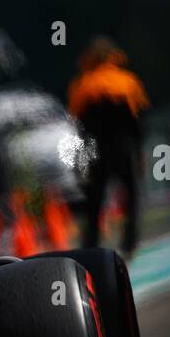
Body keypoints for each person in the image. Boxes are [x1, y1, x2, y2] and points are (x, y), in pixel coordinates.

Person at [67, 37, 150, 255]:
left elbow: (78, 126)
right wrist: (139, 151)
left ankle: (90, 245)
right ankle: (130, 241)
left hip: (97, 150)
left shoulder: (83, 86)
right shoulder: (127, 82)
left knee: (94, 200)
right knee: (131, 195)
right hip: (124, 147)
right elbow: (136, 121)